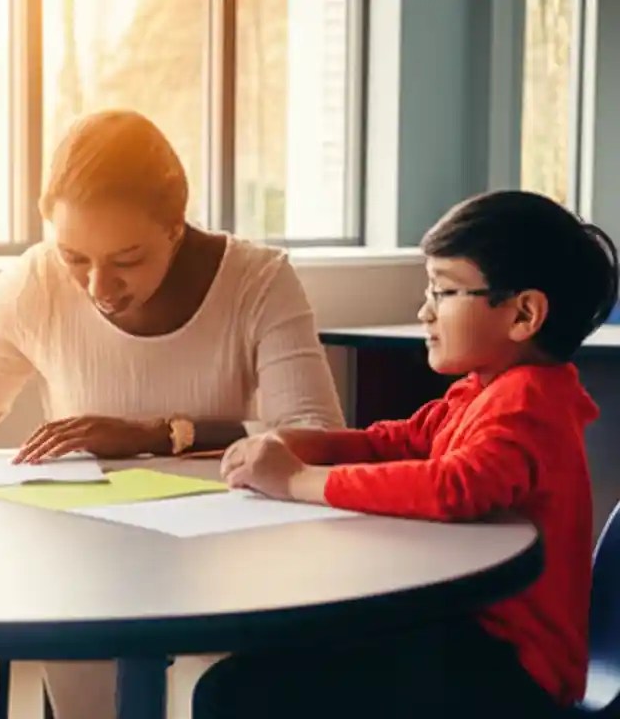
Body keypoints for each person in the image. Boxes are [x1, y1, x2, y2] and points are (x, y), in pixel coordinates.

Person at [0, 110, 345, 717]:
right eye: (75, 258)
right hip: (82, 571)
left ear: (175, 227)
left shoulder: (257, 282)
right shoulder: (30, 287)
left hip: (229, 560)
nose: (98, 286)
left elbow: (321, 438)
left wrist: (158, 435)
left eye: (127, 260)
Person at [210, 190, 619, 718]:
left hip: (517, 671)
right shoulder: (482, 389)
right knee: (255, 675)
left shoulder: (532, 402)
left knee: (243, 691)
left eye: (444, 291)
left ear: (524, 314)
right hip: (461, 632)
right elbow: (397, 442)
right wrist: (318, 443)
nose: (424, 311)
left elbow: (456, 487)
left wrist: (296, 480)